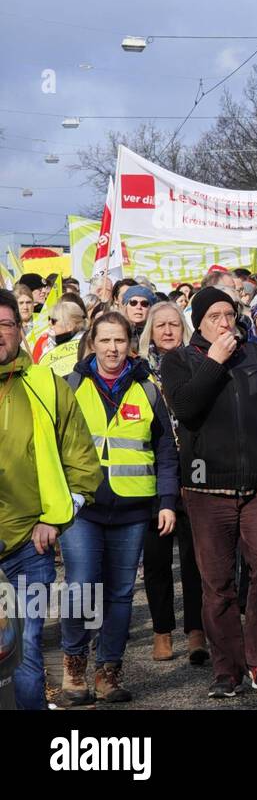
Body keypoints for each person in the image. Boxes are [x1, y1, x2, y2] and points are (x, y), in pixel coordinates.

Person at [160, 287, 257, 699]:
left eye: (229, 314)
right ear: (198, 322)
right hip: (205, 489)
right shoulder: (178, 360)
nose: (224, 322)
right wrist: (214, 361)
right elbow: (185, 408)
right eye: (214, 316)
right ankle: (227, 670)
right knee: (217, 585)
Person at [59, 311, 178, 705]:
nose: (113, 348)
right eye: (105, 340)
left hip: (132, 509)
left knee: (121, 593)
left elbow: (165, 450)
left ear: (131, 344)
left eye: (120, 341)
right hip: (82, 508)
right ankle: (74, 667)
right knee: (80, 587)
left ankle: (108, 671)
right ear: (92, 343)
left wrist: (166, 501)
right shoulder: (71, 385)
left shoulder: (148, 389)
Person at [0, 289, 101, 710]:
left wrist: (55, 519)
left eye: (5, 325)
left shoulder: (45, 383)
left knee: (22, 651)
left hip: (28, 542)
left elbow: (82, 462)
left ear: (20, 331)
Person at [138, 302, 207, 665]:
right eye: (160, 325)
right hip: (152, 472)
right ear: (150, 330)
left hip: (193, 469)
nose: (167, 331)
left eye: (174, 324)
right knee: (157, 559)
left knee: (196, 557)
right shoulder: (139, 373)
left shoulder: (196, 362)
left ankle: (196, 630)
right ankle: (161, 631)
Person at [31, 299, 86, 376]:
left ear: (69, 325)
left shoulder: (85, 345)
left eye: (53, 321)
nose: (49, 323)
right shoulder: (49, 344)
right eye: (49, 319)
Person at [120, 285, 155, 354]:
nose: (139, 307)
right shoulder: (116, 331)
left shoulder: (156, 334)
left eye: (144, 304)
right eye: (133, 303)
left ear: (151, 308)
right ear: (125, 307)